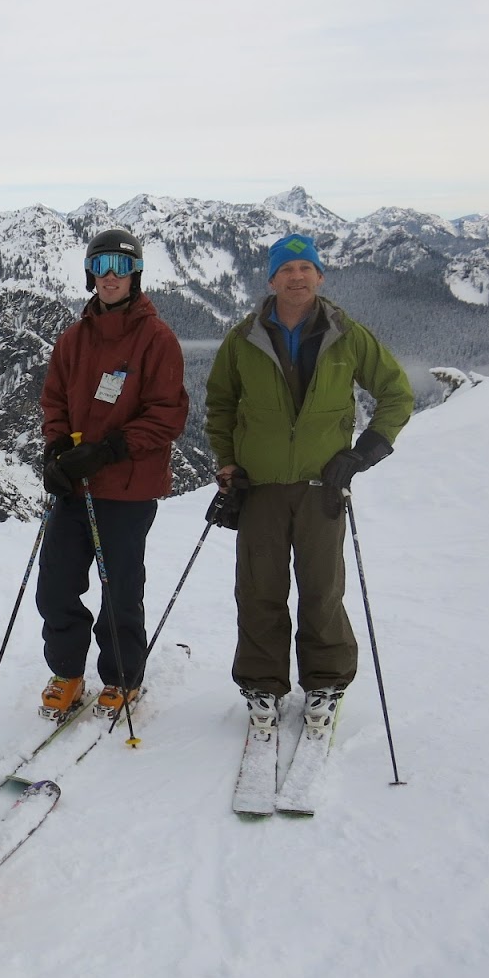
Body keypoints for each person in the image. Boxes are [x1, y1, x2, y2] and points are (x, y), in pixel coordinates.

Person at [204, 233, 413, 736]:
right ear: (271, 279)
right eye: (286, 269)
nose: (297, 277)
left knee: (322, 590)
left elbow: (396, 393)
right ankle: (262, 685)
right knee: (259, 591)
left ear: (320, 276)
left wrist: (364, 453)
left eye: (306, 268)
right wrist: (229, 465)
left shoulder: (347, 335)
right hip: (261, 487)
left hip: (324, 486)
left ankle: (325, 682)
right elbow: (221, 407)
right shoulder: (243, 339)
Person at [36, 228, 188, 723]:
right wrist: (57, 448)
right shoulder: (74, 337)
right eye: (100, 266)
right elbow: (54, 398)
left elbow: (167, 414)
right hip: (76, 485)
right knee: (56, 582)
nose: (109, 277)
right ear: (89, 273)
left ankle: (122, 675)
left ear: (136, 275)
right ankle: (67, 670)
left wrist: (109, 450)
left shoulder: (156, 339)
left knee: (119, 586)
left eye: (121, 268)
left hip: (126, 488)